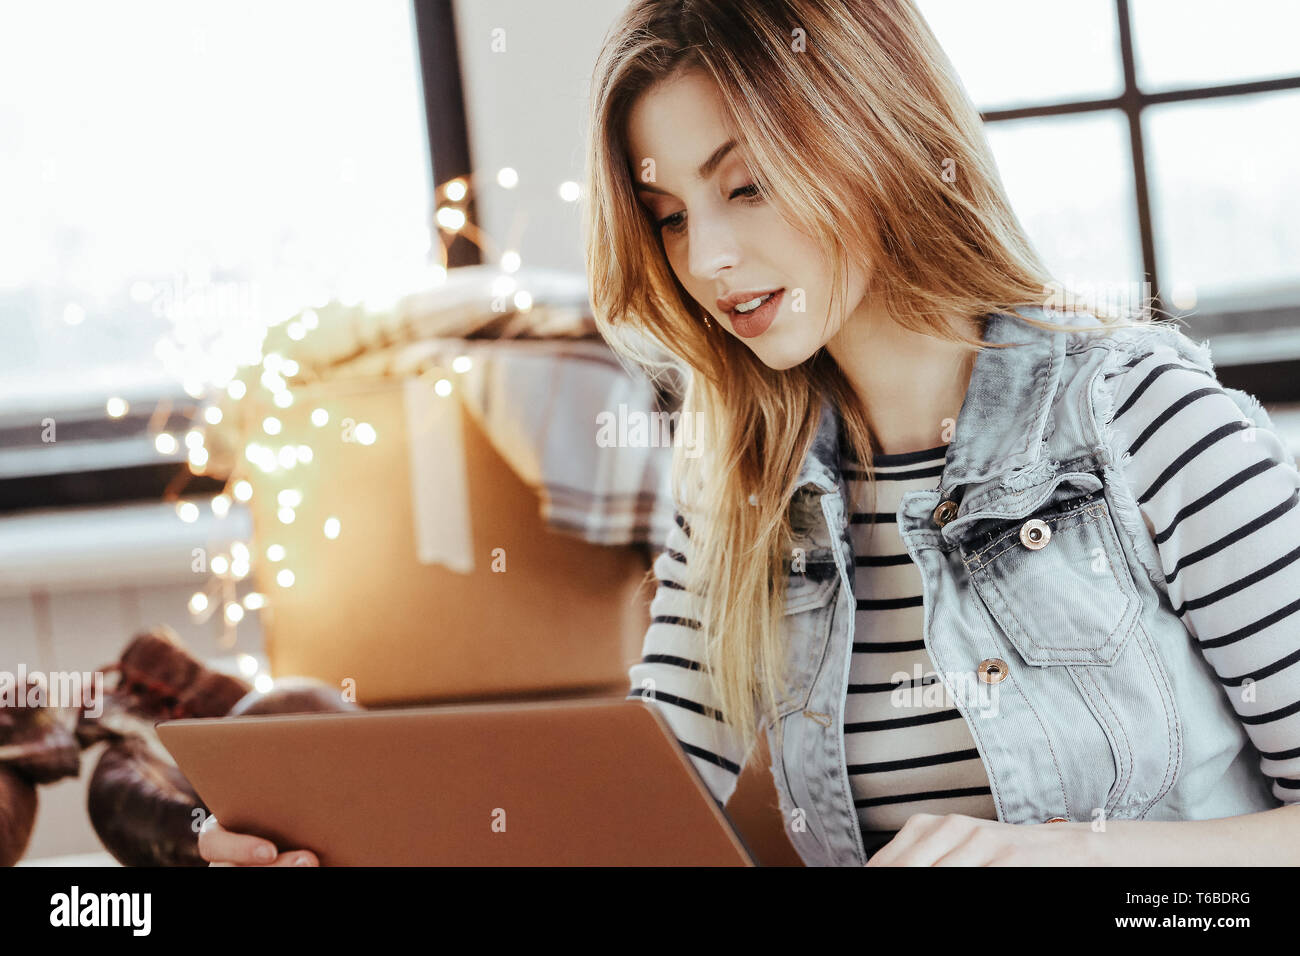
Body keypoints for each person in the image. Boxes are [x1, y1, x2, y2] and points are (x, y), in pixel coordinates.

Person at [200, 0, 1300, 866]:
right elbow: (618, 816)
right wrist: (339, 841)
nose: (708, 257)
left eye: (746, 185)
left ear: (875, 139)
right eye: (671, 213)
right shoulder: (737, 485)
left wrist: (1075, 856)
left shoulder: (1146, 421)